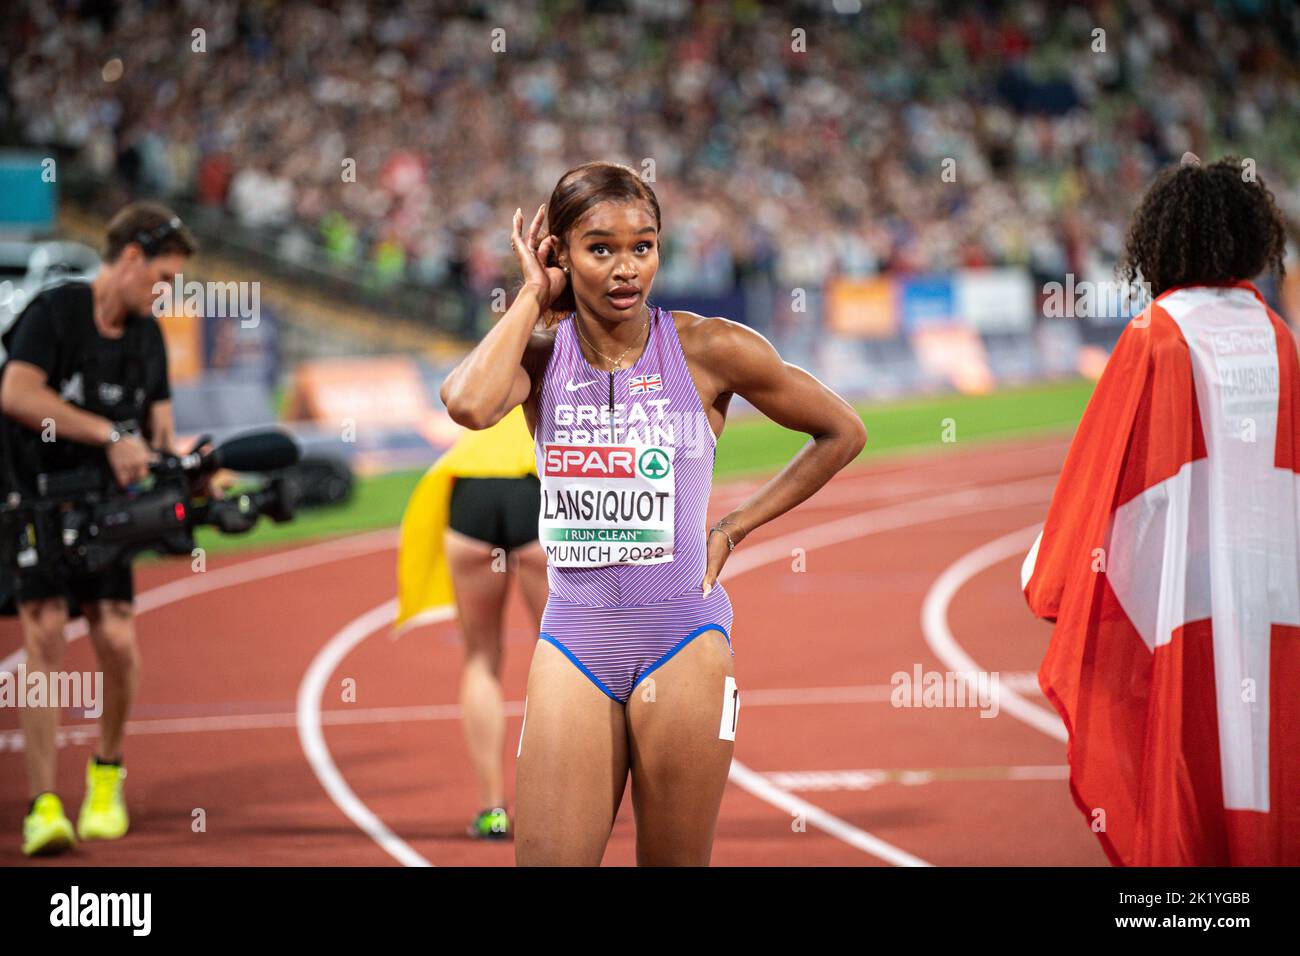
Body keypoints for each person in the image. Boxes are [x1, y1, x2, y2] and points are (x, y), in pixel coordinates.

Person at [440, 161, 867, 865]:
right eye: (599, 247)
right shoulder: (543, 360)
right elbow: (467, 403)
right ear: (561, 254)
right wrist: (529, 297)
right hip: (574, 640)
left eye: (643, 245)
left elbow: (842, 432)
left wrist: (733, 528)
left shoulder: (708, 348)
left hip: (683, 638)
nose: (625, 267)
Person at [1022, 154, 1299, 865]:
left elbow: (1106, 481)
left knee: (1184, 773)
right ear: (1250, 237)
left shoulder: (1157, 334)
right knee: (1262, 766)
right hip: (1273, 603)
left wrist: (1050, 575)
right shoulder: (1278, 336)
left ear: (1161, 241)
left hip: (1183, 607)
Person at [0, 202, 197, 856]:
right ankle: (43, 805)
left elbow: (161, 432)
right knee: (46, 633)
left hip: (105, 509)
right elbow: (18, 395)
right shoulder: (54, 312)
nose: (165, 292)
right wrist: (110, 434)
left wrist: (193, 470)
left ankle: (106, 773)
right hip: (34, 501)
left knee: (117, 642)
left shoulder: (146, 337)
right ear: (131, 258)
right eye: (163, 277)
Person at [396, 403, 547, 839]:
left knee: (480, 658)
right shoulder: (563, 358)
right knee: (561, 656)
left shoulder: (490, 371)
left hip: (470, 495)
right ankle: (556, 798)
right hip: (535, 489)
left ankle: (492, 809)